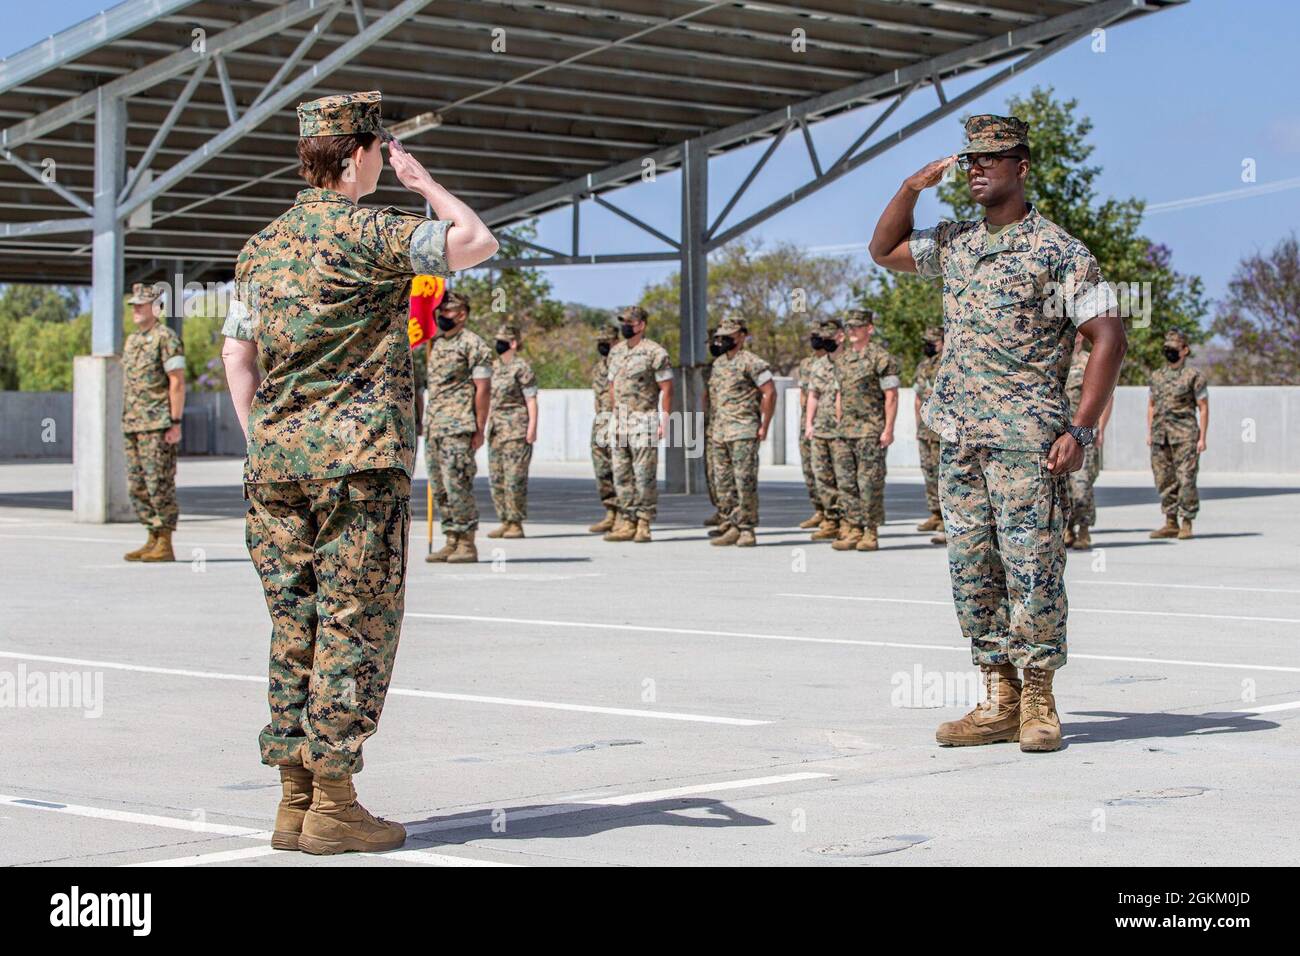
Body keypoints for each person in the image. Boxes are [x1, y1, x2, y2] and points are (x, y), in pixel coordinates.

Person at [221, 90, 498, 854]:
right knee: (353, 624)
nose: (385, 160)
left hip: (275, 466)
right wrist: (425, 186)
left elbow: (236, 355)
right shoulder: (373, 230)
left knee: (294, 623)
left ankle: (293, 798)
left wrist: (269, 441)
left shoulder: (260, 246)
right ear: (360, 153)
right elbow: (474, 241)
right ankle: (335, 803)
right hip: (356, 464)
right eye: (382, 150)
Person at [868, 113, 1125, 753]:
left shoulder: (1058, 251)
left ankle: (1039, 699)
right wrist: (909, 188)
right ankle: (998, 696)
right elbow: (883, 251)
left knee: (1032, 567)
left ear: (1022, 166)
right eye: (970, 160)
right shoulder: (956, 241)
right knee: (972, 569)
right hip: (959, 437)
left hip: (1027, 440)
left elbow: (1108, 336)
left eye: (992, 157)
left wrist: (1083, 429)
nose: (977, 168)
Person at [421, 291, 493, 563]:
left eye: (447, 312)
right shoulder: (437, 343)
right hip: (435, 426)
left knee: (458, 483)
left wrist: (479, 426)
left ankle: (466, 542)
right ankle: (451, 537)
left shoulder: (473, 344)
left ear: (462, 314)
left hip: (459, 425)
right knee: (439, 486)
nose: (441, 317)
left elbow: (483, 389)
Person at [121, 282, 185, 563]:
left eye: (141, 304)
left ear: (156, 308)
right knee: (137, 485)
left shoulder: (166, 338)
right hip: (133, 423)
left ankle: (165, 542)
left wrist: (175, 422)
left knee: (159, 484)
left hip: (158, 423)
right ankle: (152, 536)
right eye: (133, 304)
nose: (135, 309)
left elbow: (177, 382)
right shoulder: (133, 340)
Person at [828, 309, 899, 552]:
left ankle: (870, 530)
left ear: (869, 328)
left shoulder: (881, 357)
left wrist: (888, 429)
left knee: (869, 483)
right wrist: (838, 420)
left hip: (870, 430)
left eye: (857, 326)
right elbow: (839, 393)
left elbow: (891, 396)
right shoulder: (843, 360)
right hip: (845, 431)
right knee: (846, 483)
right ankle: (853, 527)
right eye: (849, 327)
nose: (852, 331)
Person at [703, 317, 775, 547]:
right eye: (721, 335)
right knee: (722, 483)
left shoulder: (752, 362)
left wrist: (764, 424)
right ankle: (732, 524)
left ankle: (747, 529)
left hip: (743, 430)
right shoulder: (719, 364)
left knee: (744, 482)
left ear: (742, 336)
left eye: (729, 335)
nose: (724, 340)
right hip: (719, 431)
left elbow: (770, 393)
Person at [603, 305, 673, 543]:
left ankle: (644, 522)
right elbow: (612, 385)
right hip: (620, 421)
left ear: (641, 325)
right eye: (622, 322)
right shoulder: (616, 352)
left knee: (644, 475)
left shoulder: (655, 352)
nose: (625, 326)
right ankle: (627, 520)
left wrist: (664, 418)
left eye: (629, 323)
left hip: (644, 420)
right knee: (621, 474)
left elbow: (666, 388)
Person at [1148, 329, 1208, 540]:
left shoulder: (1194, 376)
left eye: (1174, 348)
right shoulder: (1156, 376)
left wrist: (1202, 438)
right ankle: (1170, 522)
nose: (1170, 352)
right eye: (1167, 349)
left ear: (1184, 350)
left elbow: (1203, 407)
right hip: (1160, 435)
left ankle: (1187, 522)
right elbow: (1151, 405)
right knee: (1164, 479)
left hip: (1185, 436)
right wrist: (1150, 433)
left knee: (1186, 479)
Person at [486, 322, 538, 539]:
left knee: (514, 478)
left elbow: (531, 399)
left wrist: (532, 428)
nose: (499, 343)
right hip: (497, 429)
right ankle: (505, 520)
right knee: (496, 477)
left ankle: (515, 522)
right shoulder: (494, 367)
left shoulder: (522, 367)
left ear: (513, 343)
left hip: (516, 429)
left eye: (503, 340)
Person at [1064, 331, 1113, 550]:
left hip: (1081, 433)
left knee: (1082, 484)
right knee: (1062, 486)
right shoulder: (1056, 359)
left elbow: (1106, 395)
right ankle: (1067, 529)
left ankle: (1084, 530)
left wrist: (1100, 428)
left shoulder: (1088, 361)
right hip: (1057, 433)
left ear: (1082, 337)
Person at [803, 318, 844, 542]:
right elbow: (813, 395)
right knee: (823, 478)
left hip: (844, 431)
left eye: (831, 336)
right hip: (821, 428)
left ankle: (847, 521)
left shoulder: (849, 362)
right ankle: (830, 519)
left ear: (841, 336)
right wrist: (809, 423)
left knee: (844, 479)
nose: (826, 340)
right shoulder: (818, 365)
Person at [913, 325, 946, 545]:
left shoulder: (949, 361)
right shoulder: (923, 366)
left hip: (942, 430)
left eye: (932, 341)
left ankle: (946, 517)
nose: (928, 345)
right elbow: (917, 396)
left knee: (943, 473)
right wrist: (917, 424)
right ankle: (935, 512)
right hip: (925, 429)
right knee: (929, 471)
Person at [587, 323, 622, 533]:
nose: (602, 345)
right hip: (601, 422)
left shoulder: (623, 364)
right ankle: (610, 511)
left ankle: (624, 514)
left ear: (615, 342)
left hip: (619, 421)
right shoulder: (598, 367)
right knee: (602, 470)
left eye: (606, 341)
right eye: (600, 342)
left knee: (621, 470)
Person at [796, 327, 828, 529]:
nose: (815, 341)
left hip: (828, 423)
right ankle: (819, 510)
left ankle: (833, 515)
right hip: (807, 424)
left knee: (826, 471)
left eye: (818, 337)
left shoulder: (837, 361)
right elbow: (804, 393)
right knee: (809, 470)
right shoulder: (806, 364)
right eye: (812, 337)